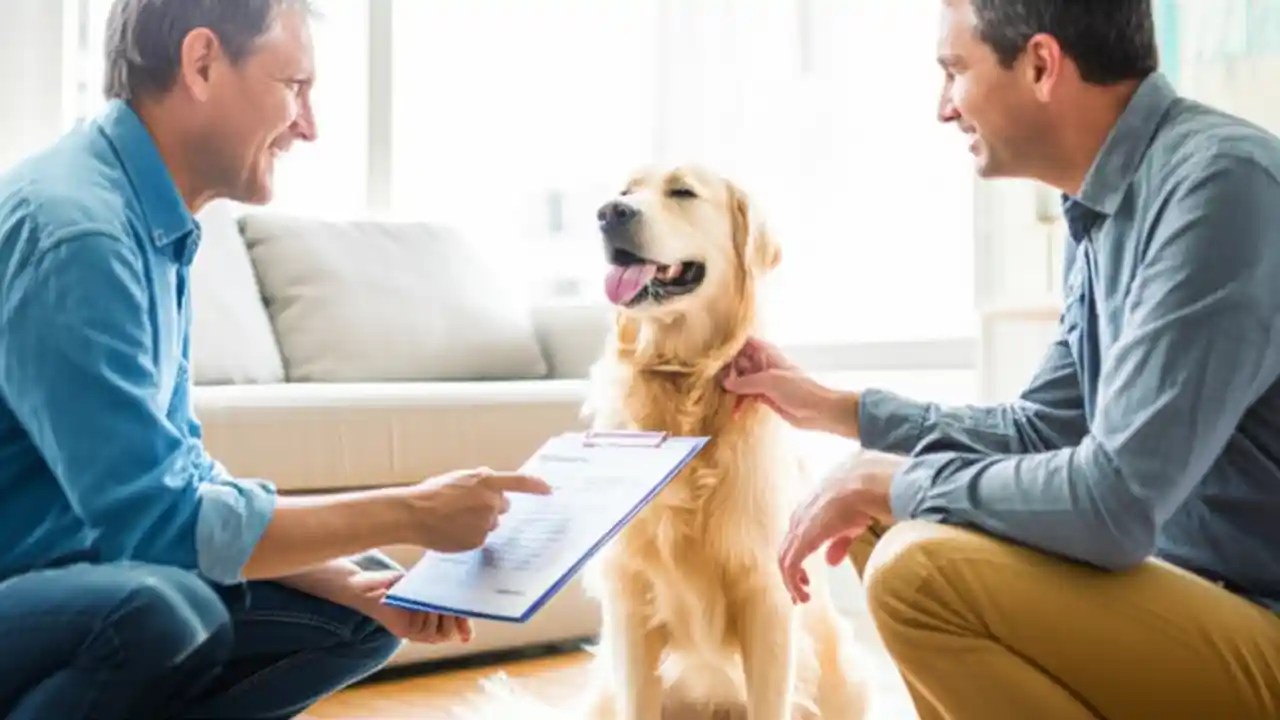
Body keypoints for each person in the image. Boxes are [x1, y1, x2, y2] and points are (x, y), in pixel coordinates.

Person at [723, 0, 1280, 718]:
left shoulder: (1220, 187)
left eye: (954, 71)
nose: (943, 109)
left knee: (917, 572)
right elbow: (1041, 429)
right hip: (1191, 591)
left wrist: (893, 480)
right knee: (873, 520)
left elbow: (1113, 506)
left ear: (1042, 65)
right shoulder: (1105, 207)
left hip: (1258, 616)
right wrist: (841, 412)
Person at [0, 1, 550, 718]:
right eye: (295, 85)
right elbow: (158, 524)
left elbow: (180, 472)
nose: (309, 125)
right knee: (156, 615)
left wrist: (343, 576)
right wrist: (411, 510)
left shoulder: (151, 221)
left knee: (364, 605)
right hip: (33, 581)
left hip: (73, 572)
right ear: (202, 64)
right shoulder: (81, 235)